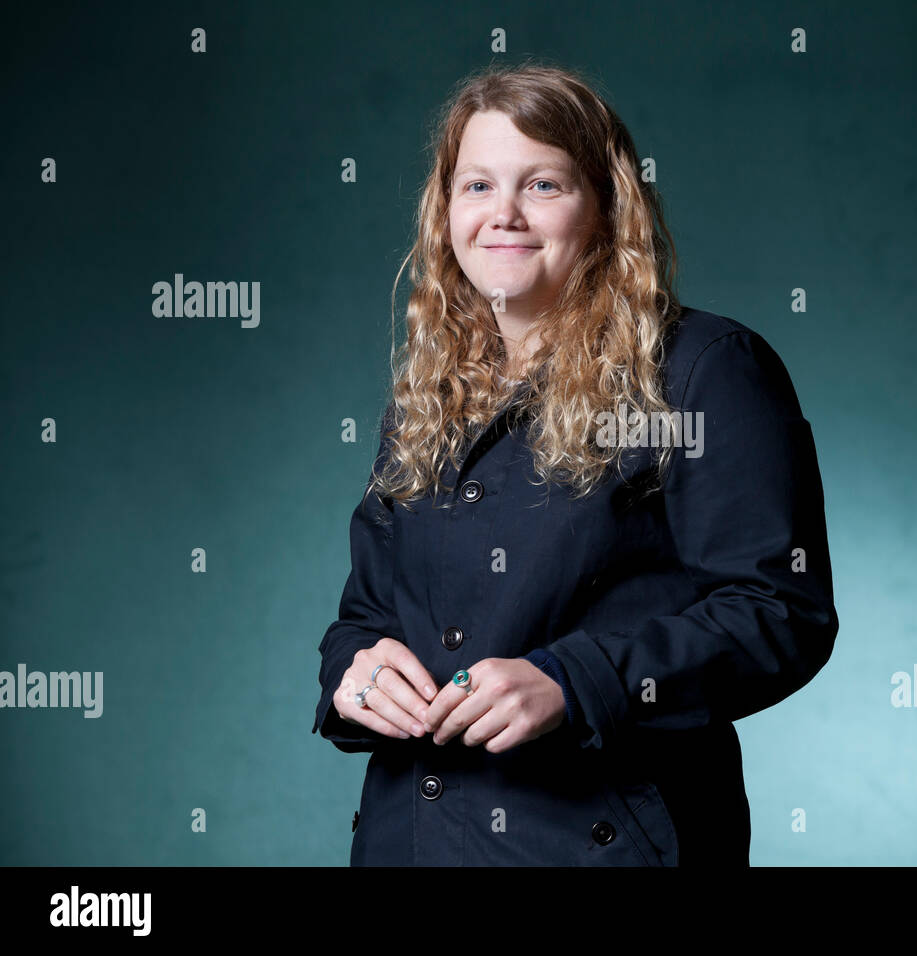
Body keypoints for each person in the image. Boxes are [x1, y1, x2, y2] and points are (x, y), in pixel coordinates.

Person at [312, 62, 838, 866]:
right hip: (409, 843)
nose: (505, 215)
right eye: (477, 186)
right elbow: (369, 615)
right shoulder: (426, 394)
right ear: (445, 211)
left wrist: (574, 680)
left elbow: (779, 611)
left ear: (604, 208)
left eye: (544, 185)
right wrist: (355, 671)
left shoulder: (701, 367)